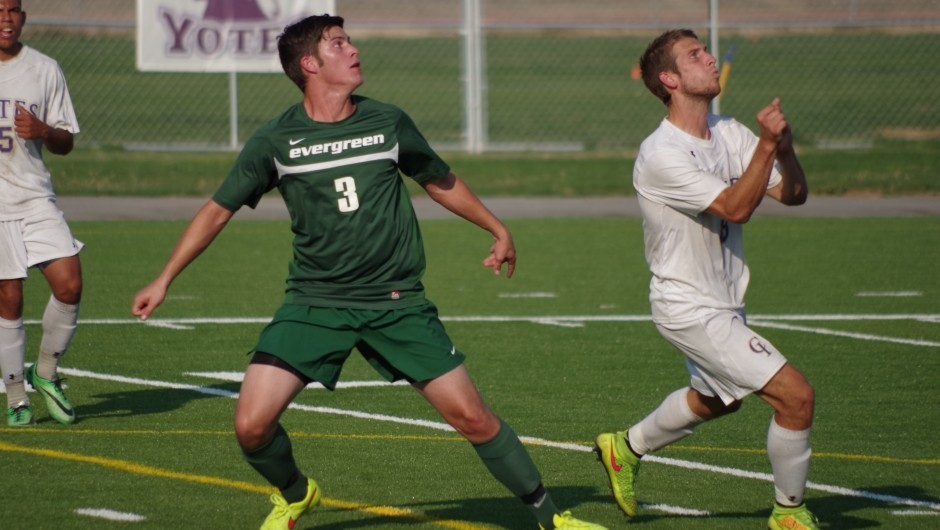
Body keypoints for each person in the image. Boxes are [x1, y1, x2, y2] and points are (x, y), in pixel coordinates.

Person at [132, 14, 606, 530]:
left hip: (396, 303)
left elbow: (439, 179)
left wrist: (496, 227)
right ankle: (295, 493)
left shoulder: (387, 121)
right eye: (339, 43)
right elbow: (217, 209)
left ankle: (551, 519)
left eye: (350, 40)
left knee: (473, 418)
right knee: (250, 426)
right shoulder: (275, 140)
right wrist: (164, 278)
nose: (354, 49)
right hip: (314, 302)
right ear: (310, 64)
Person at [594, 29, 818, 530]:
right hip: (687, 306)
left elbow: (794, 195)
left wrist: (782, 149)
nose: (710, 58)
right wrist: (763, 146)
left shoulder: (728, 132)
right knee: (796, 396)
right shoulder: (661, 154)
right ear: (670, 79)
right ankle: (788, 513)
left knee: (719, 399)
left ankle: (625, 447)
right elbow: (736, 208)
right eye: (695, 55)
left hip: (724, 301)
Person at [0, 0, 81, 427]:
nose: (6, 19)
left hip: (34, 198)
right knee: (9, 298)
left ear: (24, 17)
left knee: (69, 284)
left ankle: (45, 372)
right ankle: (16, 398)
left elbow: (66, 140)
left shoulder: (44, 68)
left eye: (13, 10)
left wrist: (44, 131)